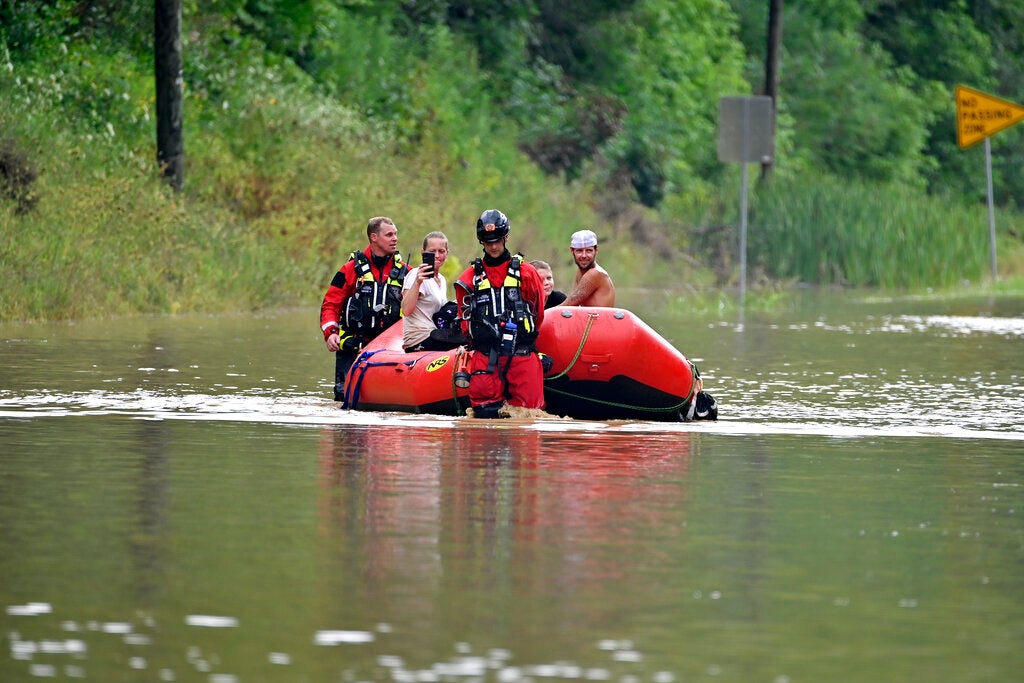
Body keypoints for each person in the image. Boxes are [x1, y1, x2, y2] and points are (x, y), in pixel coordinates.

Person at [454, 209, 547, 418]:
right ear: (481, 242)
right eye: (488, 241)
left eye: (497, 240)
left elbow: (538, 314)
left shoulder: (528, 274)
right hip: (485, 358)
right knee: (483, 422)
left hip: (522, 354)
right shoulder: (468, 279)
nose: (493, 246)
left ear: (506, 237)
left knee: (528, 419)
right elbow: (464, 323)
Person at [320, 216, 408, 401]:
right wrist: (331, 333)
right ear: (374, 237)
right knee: (345, 398)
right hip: (353, 348)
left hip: (391, 351)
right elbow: (330, 304)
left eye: (396, 234)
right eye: (389, 234)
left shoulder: (406, 272)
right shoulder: (351, 269)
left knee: (389, 401)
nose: (395, 239)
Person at [401, 231, 452, 352]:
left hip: (435, 334)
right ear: (423, 253)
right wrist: (417, 283)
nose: (437, 255)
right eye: (432, 251)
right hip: (418, 338)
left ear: (447, 253)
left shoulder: (442, 280)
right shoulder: (416, 274)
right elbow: (406, 310)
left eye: (441, 251)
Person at [556, 229, 616, 307]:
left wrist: (545, 314)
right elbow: (573, 306)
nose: (584, 255)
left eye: (588, 251)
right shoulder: (580, 272)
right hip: (587, 319)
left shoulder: (595, 273)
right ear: (572, 251)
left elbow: (568, 304)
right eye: (579, 251)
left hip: (601, 319)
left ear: (596, 250)